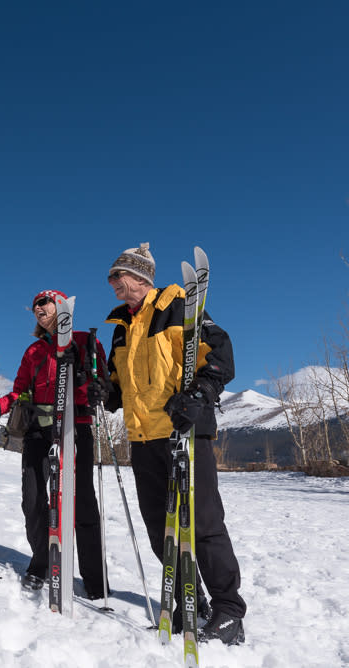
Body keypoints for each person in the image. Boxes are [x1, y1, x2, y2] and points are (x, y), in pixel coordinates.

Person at [103, 242, 246, 645]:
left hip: (184, 431)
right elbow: (118, 386)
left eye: (118, 276)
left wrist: (200, 393)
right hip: (142, 439)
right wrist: (104, 391)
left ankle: (229, 611)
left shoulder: (178, 305)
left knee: (202, 524)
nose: (113, 284)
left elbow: (220, 355)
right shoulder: (121, 328)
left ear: (140, 276)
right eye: (111, 278)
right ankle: (191, 600)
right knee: (160, 530)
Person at [0, 289, 107, 599]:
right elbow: (19, 392)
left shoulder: (86, 341)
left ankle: (95, 579)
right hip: (37, 431)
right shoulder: (34, 351)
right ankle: (41, 563)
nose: (38, 308)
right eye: (34, 306)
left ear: (61, 306)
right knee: (32, 500)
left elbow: (102, 383)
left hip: (75, 427)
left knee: (82, 502)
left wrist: (85, 379)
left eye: (44, 303)